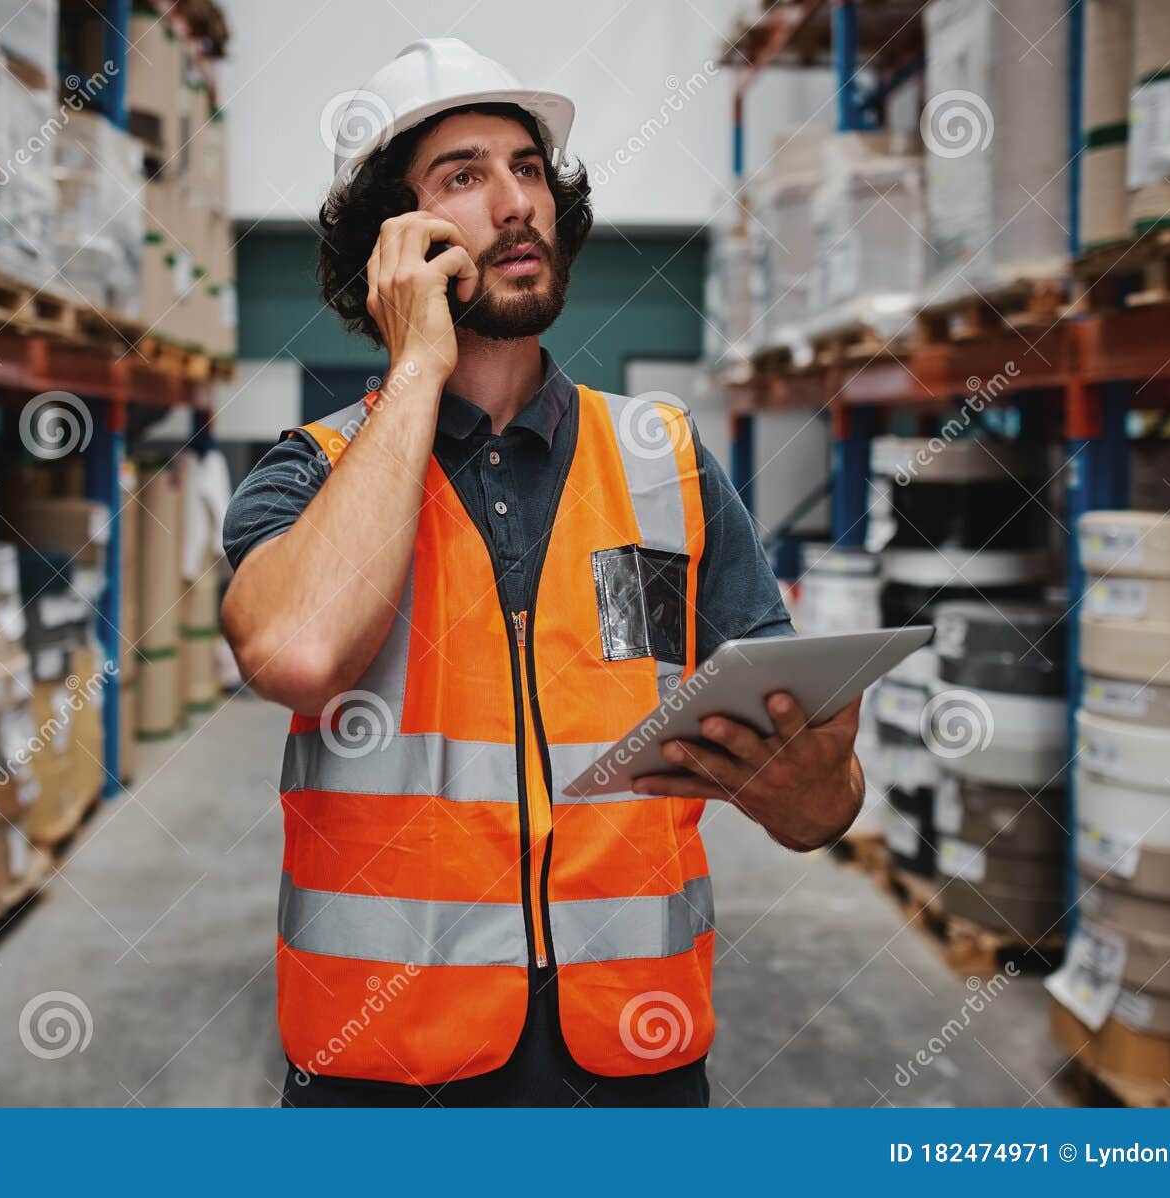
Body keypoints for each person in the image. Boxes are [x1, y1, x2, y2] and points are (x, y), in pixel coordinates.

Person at [220, 38, 863, 1108]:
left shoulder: (663, 463)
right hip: (386, 1088)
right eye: (462, 176)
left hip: (633, 1079)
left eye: (527, 169)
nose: (516, 202)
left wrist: (816, 791)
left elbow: (809, 799)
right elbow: (294, 649)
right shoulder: (315, 472)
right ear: (391, 240)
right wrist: (415, 366)